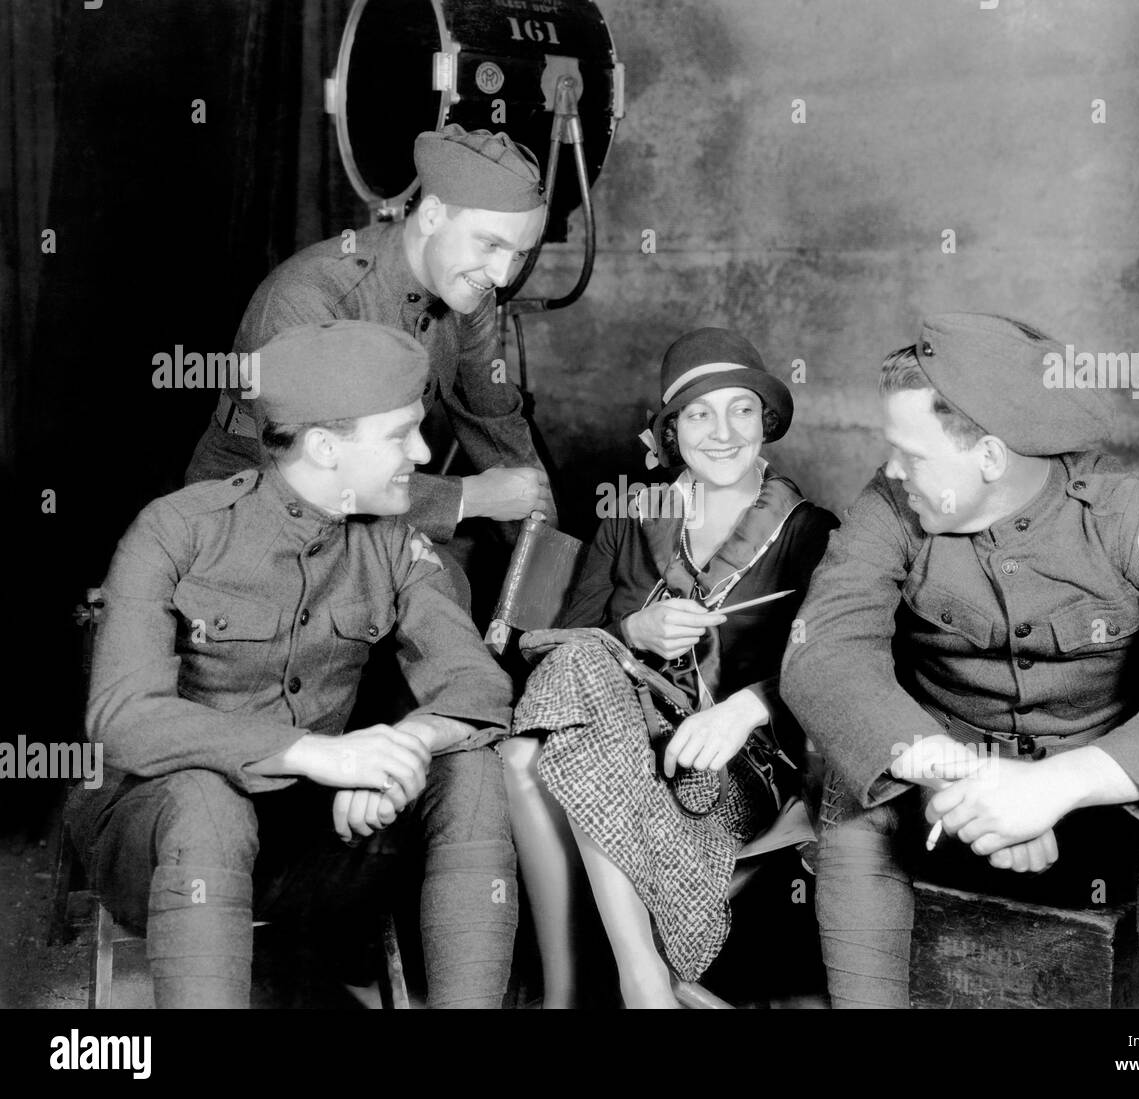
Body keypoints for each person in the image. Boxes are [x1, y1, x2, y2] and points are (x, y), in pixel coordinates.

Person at [781, 312, 1139, 1009]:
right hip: (946, 809)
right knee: (848, 776)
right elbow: (822, 654)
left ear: (987, 456)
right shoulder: (891, 505)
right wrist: (955, 774)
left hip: (1103, 819)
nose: (892, 468)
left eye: (912, 453)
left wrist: (1054, 787)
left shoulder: (1133, 516)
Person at [69, 320, 519, 1008]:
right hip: (160, 844)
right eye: (400, 434)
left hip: (311, 842)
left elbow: (478, 685)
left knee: (472, 768)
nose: (423, 451)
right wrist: (316, 754)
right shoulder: (177, 530)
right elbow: (123, 718)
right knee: (205, 801)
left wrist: (402, 751)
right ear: (325, 446)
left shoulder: (390, 542)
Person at [502, 328, 839, 1007]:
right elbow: (557, 644)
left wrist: (751, 702)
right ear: (671, 429)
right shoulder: (629, 514)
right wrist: (632, 629)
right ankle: (643, 980)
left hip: (735, 766)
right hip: (616, 740)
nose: (722, 432)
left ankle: (625, 983)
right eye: (698, 413)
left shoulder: (810, 532)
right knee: (577, 665)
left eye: (741, 410)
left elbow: (840, 666)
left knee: (527, 754)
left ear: (766, 422)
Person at [184, 125, 555, 542]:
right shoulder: (311, 296)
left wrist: (546, 557)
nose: (503, 276)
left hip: (380, 512)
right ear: (432, 216)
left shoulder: (468, 290)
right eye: (490, 245)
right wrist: (470, 498)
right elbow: (308, 472)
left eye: (520, 253)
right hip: (252, 508)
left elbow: (494, 420)